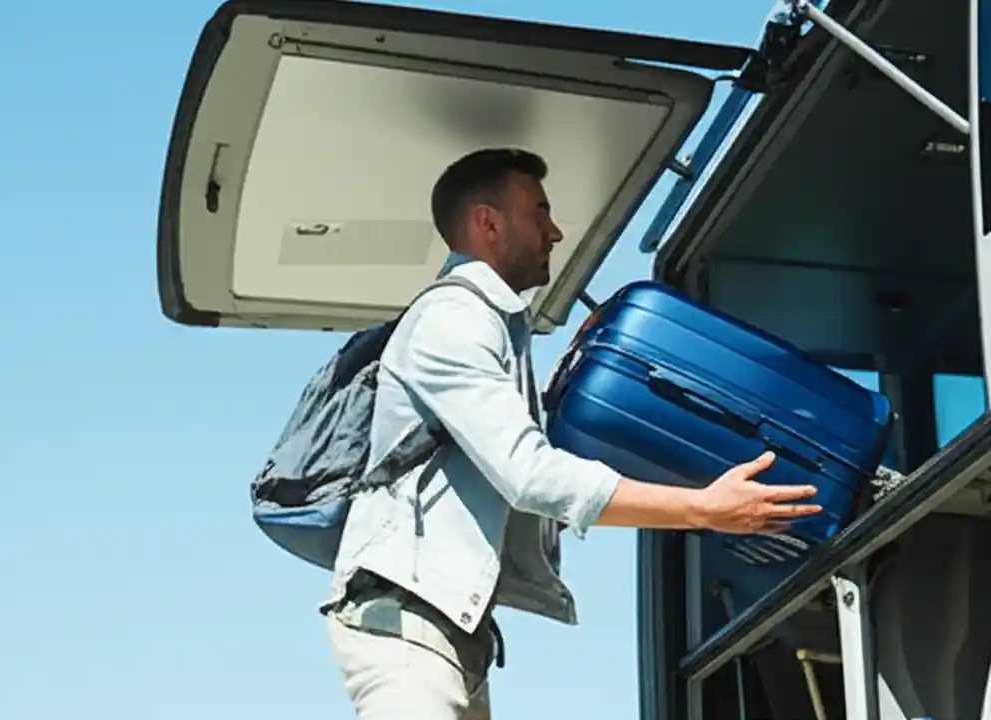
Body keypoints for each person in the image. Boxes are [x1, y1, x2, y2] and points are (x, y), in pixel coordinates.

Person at [320, 148, 822, 719]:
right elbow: (533, 477)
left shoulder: (495, 326)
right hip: (408, 631)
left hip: (446, 634)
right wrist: (704, 508)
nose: (555, 232)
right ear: (488, 223)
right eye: (539, 212)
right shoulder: (454, 319)